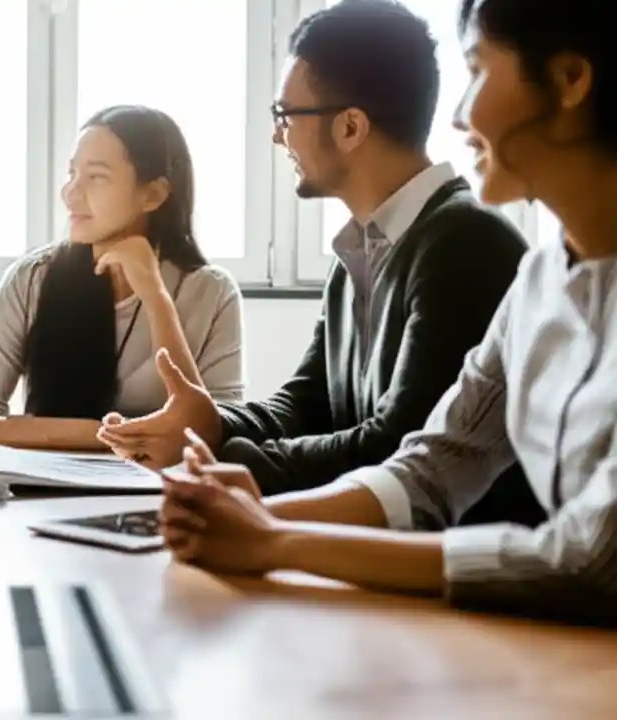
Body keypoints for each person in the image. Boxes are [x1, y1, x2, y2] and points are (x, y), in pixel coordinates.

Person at [160, 0, 617, 624]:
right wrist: (252, 513)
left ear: (570, 79)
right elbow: (434, 465)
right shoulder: (538, 279)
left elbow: (589, 562)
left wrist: (276, 537)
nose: (458, 116)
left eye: (479, 71)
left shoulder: (468, 242)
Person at [99, 0, 540, 526]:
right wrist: (211, 425)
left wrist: (222, 460)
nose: (276, 134)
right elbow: (307, 403)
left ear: (351, 127)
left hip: (449, 582)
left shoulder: (466, 245)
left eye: (285, 116)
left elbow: (397, 447)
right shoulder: (361, 248)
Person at [0, 105, 244, 451]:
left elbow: (214, 434)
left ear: (154, 194)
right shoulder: (33, 278)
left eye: (96, 176)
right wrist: (121, 438)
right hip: (45, 495)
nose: (70, 193)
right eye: (72, 174)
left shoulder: (211, 292)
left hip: (165, 496)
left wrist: (155, 296)